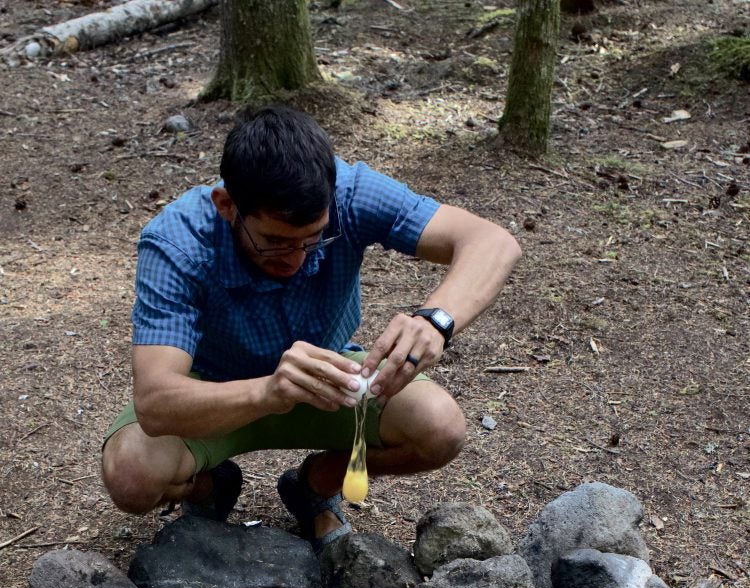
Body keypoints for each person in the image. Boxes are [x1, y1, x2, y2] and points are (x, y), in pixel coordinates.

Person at [102, 105, 521, 551]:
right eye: (275, 242)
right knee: (132, 475)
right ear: (227, 206)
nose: (297, 259)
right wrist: (268, 391)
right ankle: (210, 487)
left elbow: (492, 242)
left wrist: (436, 320)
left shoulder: (348, 193)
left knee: (440, 429)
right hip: (214, 390)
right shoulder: (177, 242)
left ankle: (314, 486)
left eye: (313, 238)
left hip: (330, 378)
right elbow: (156, 402)